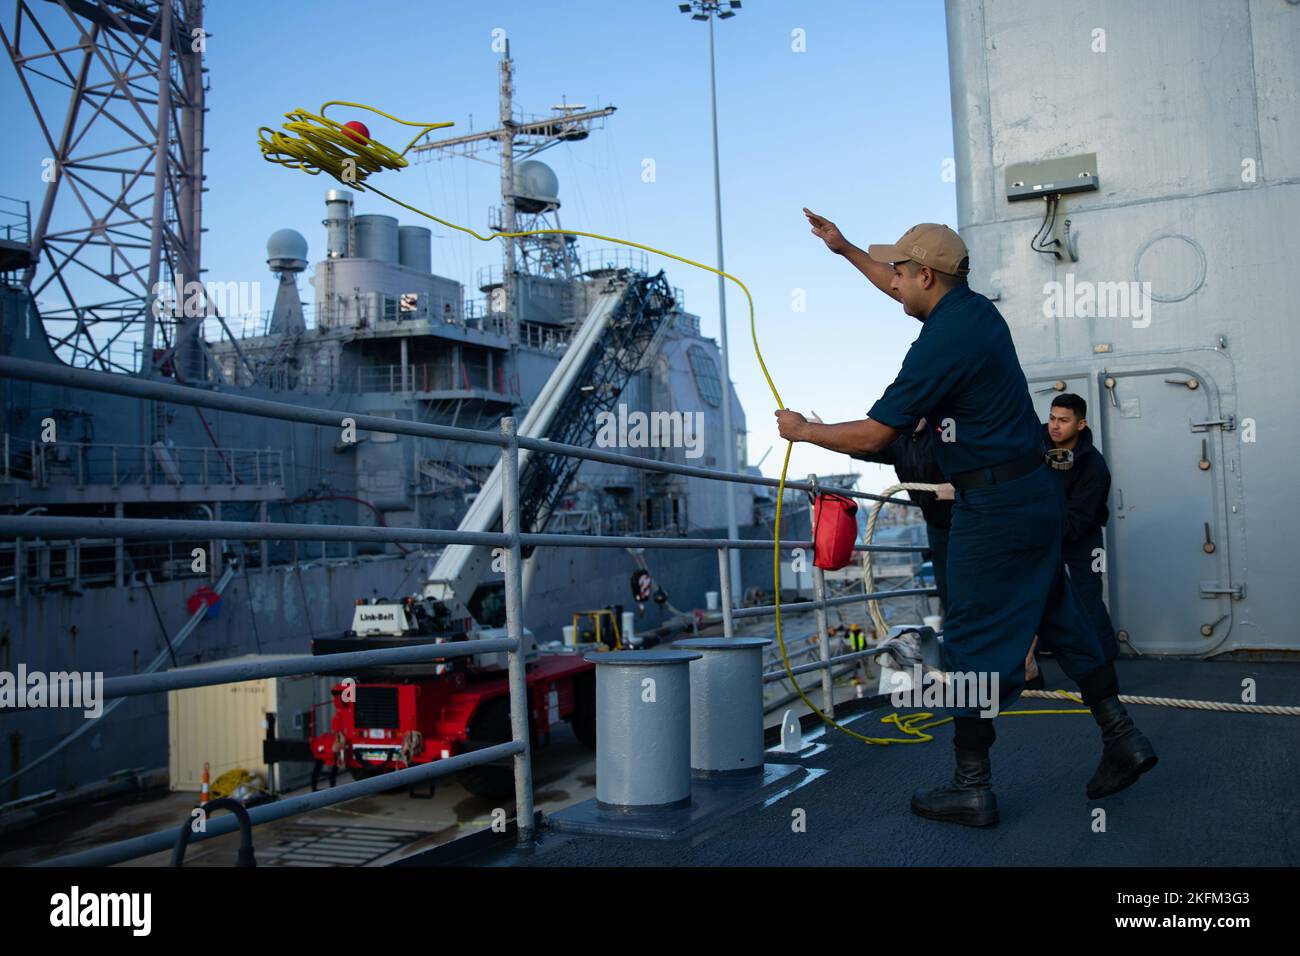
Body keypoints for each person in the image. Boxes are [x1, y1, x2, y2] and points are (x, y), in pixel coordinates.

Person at [776, 212, 1157, 826]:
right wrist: (844, 248)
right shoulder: (973, 312)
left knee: (973, 641)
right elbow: (896, 287)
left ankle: (971, 785)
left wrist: (804, 431)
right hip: (1034, 495)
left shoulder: (942, 342)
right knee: (1059, 614)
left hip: (993, 508)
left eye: (900, 271)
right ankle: (1123, 735)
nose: (893, 280)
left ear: (926, 275)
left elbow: (876, 436)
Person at [851, 418, 954, 612]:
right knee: (945, 587)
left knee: (971, 581)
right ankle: (955, 627)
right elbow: (865, 447)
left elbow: (970, 458)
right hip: (935, 525)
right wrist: (823, 435)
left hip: (964, 519)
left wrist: (957, 487)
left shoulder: (943, 432)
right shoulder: (898, 443)